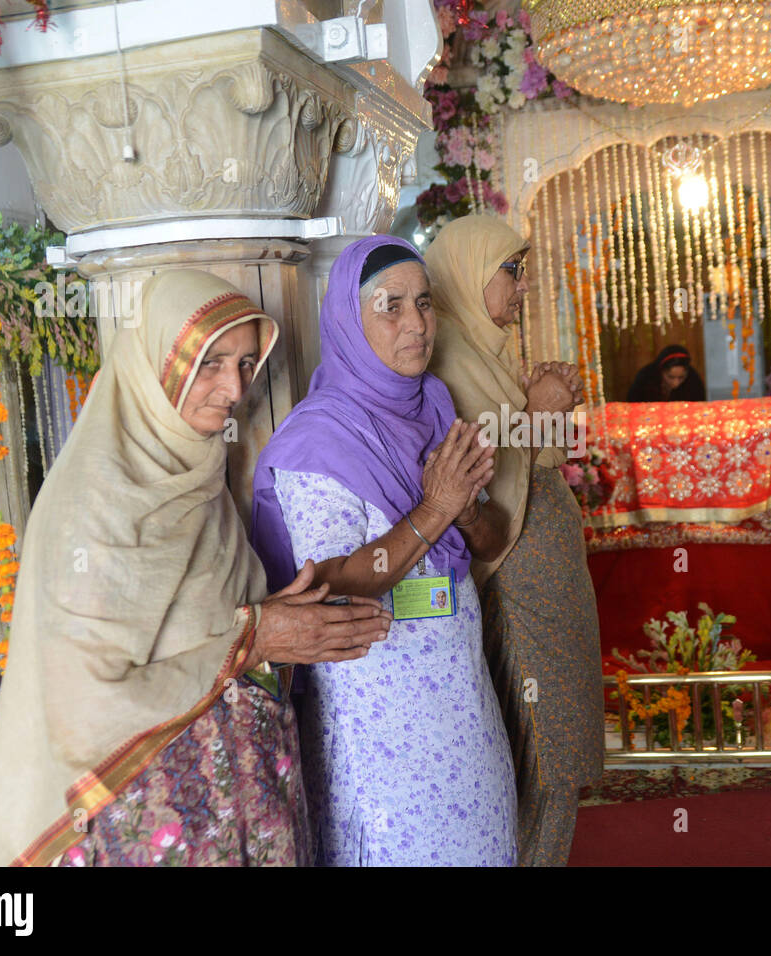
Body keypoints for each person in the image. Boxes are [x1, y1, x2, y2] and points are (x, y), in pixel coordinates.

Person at [0, 270, 391, 867]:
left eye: (247, 364)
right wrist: (254, 639)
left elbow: (218, 616)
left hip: (239, 793)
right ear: (153, 362)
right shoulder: (91, 502)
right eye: (212, 362)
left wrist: (278, 621)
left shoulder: (199, 475)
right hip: (147, 814)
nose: (233, 388)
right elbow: (84, 701)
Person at [250, 236, 517, 866]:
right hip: (381, 726)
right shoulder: (316, 443)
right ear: (349, 319)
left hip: (461, 706)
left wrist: (466, 511)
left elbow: (489, 540)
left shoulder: (433, 406)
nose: (417, 325)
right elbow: (332, 583)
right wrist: (433, 510)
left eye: (423, 303)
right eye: (390, 306)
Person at [425, 214, 605, 866]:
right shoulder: (447, 360)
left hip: (544, 595)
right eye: (509, 270)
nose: (521, 287)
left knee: (555, 760)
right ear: (470, 273)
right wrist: (535, 411)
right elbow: (471, 477)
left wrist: (536, 404)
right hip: (516, 595)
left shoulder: (485, 353)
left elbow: (531, 459)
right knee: (540, 755)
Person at [626, 344, 706, 401]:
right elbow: (634, 406)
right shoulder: (645, 378)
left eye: (681, 378)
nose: (676, 383)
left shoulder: (694, 380)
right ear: (661, 371)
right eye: (670, 377)